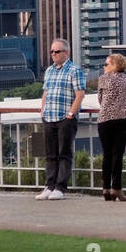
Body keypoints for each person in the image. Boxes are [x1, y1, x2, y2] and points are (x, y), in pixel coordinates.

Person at [37, 39, 85, 201]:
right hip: (49, 117)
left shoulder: (74, 70)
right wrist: (43, 111)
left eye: (57, 52)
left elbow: (80, 94)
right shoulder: (49, 71)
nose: (53, 55)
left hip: (65, 118)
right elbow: (45, 92)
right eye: (51, 51)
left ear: (67, 53)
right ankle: (49, 185)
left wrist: (71, 113)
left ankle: (60, 187)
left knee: (64, 153)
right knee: (50, 154)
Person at [97, 53, 126, 201]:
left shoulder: (102, 79)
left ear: (115, 65)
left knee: (107, 154)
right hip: (123, 120)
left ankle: (105, 188)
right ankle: (116, 188)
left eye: (106, 64)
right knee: (117, 155)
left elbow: (100, 100)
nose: (104, 67)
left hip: (105, 120)